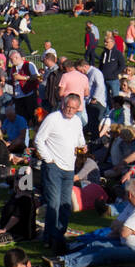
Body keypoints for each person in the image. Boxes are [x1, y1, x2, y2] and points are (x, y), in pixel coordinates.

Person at [52, 178, 135, 267]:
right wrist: (126, 228)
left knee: (105, 253)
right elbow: (114, 225)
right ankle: (62, 259)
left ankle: (66, 264)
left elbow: (123, 232)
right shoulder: (132, 205)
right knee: (96, 244)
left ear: (129, 194)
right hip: (127, 244)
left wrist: (123, 228)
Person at [34, 94, 87, 255]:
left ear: (78, 108)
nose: (69, 110)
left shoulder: (77, 121)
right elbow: (38, 140)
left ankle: (59, 235)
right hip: (54, 167)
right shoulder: (53, 118)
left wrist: (82, 147)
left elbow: (79, 140)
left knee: (65, 204)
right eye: (67, 106)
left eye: (73, 108)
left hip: (69, 167)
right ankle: (49, 237)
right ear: (63, 104)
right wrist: (49, 159)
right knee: (54, 203)